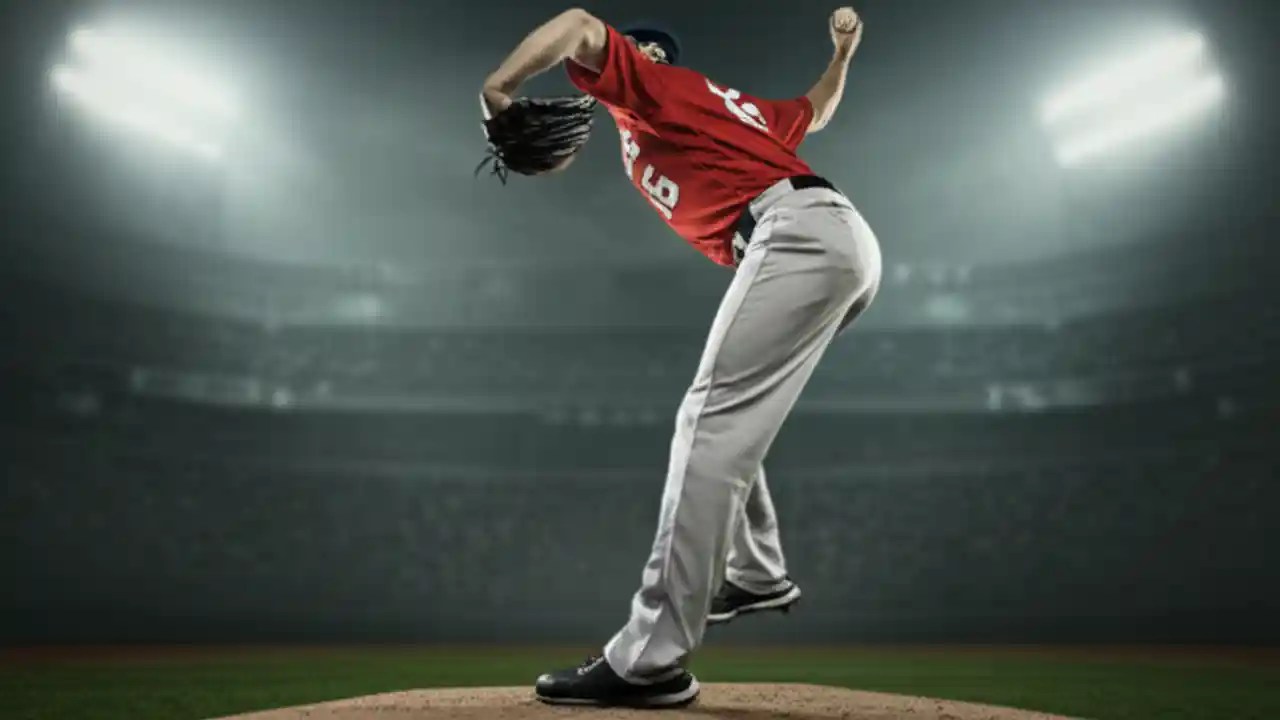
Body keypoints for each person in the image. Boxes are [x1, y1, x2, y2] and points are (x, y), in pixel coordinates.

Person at [481, 6, 880, 708]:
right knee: (730, 417)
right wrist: (842, 56)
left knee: (708, 421)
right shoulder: (714, 109)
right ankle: (757, 570)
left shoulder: (652, 88)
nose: (632, 57)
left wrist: (498, 88)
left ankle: (649, 660)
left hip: (798, 236)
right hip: (829, 241)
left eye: (641, 53)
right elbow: (814, 113)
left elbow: (577, 22)